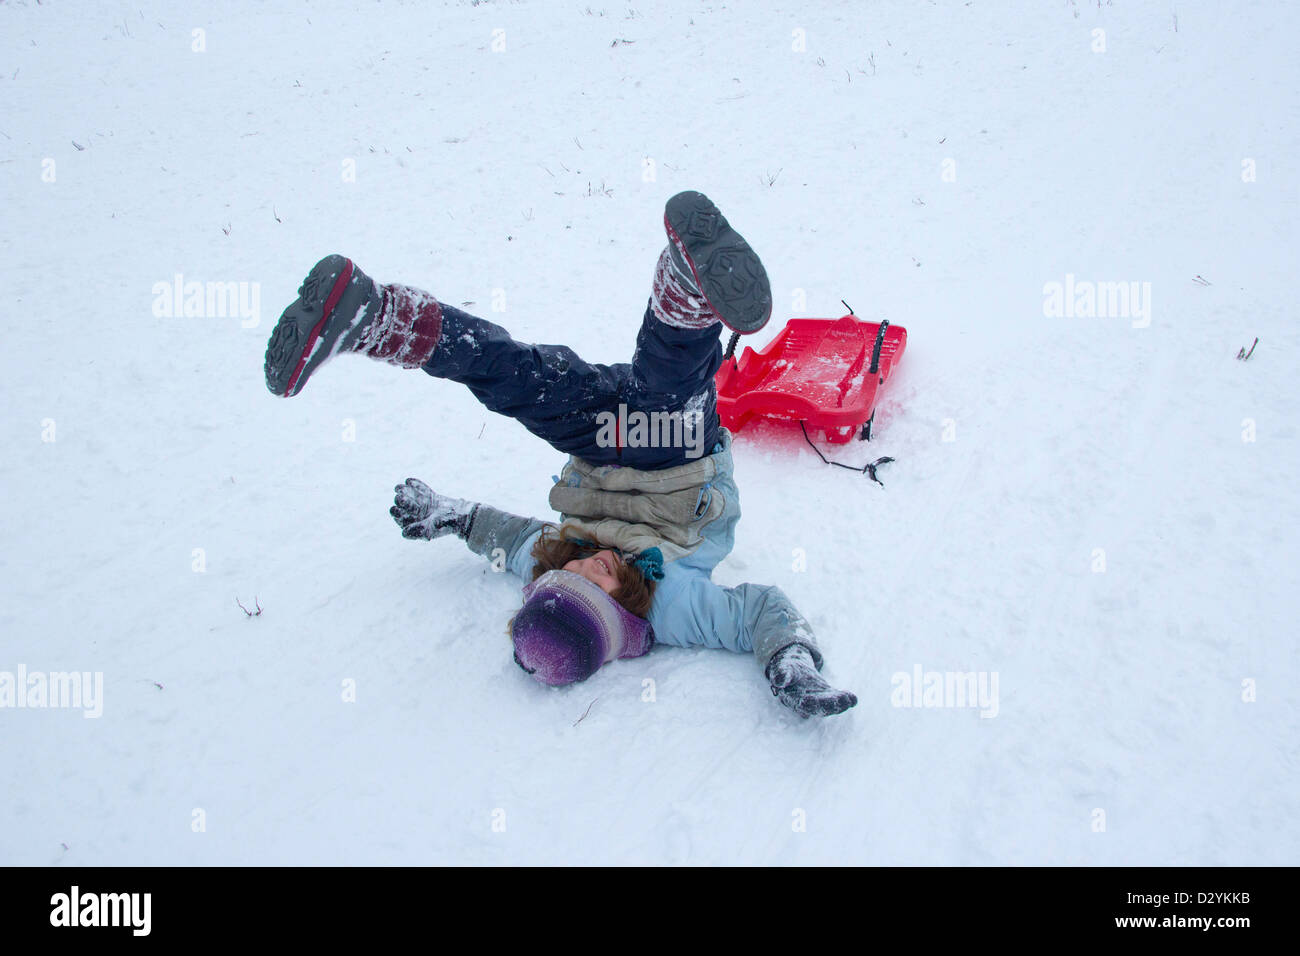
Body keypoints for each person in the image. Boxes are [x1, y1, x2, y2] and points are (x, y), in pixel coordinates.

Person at [263, 191, 857, 718]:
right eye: (594, 587)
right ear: (616, 618)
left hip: (597, 444)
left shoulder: (554, 563)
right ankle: (684, 290)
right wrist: (791, 662)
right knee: (661, 397)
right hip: (673, 460)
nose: (584, 567)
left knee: (515, 380)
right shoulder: (672, 608)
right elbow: (759, 611)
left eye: (566, 574)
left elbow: (504, 535)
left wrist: (449, 516)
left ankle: (373, 315)